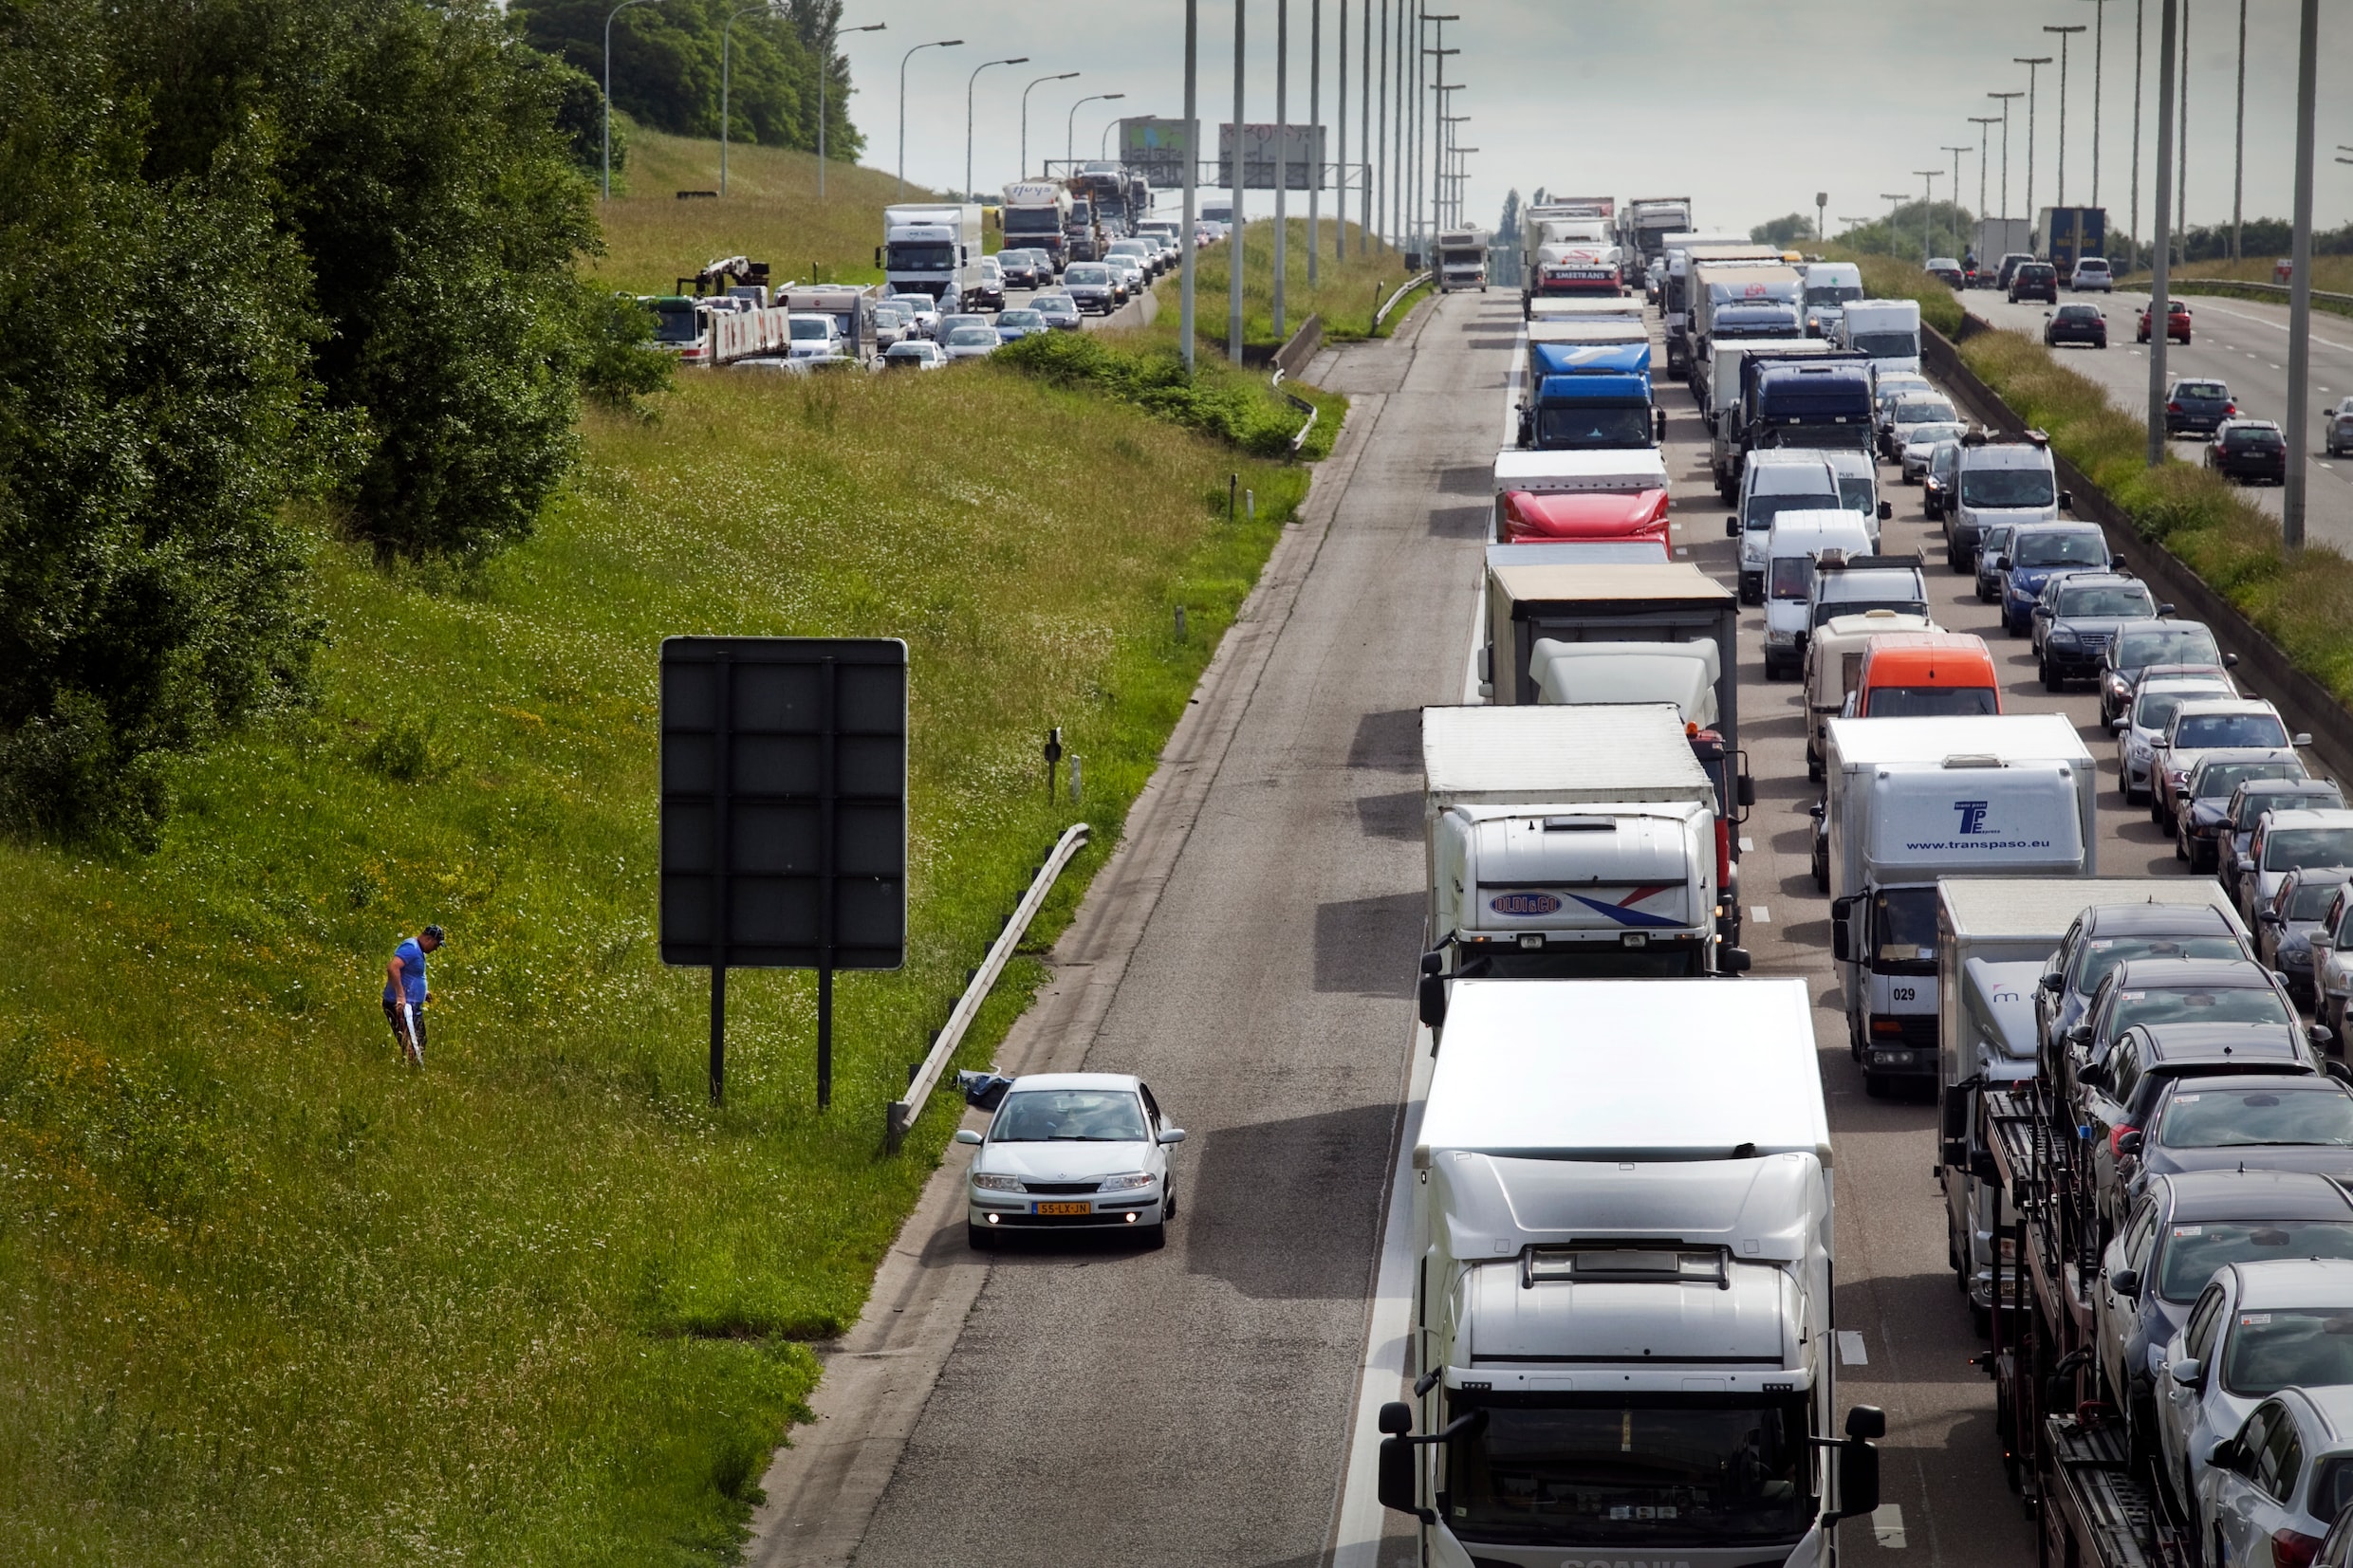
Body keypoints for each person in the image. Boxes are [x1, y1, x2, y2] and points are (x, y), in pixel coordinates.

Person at [383, 925, 443, 1066]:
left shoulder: (417, 950)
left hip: (412, 1005)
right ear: (429, 939)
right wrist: (400, 996)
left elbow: (412, 974)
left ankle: (412, 1068)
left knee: (420, 1039)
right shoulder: (411, 947)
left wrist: (423, 992)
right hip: (403, 1006)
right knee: (412, 1043)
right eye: (436, 945)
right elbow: (393, 968)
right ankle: (415, 1071)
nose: (436, 949)